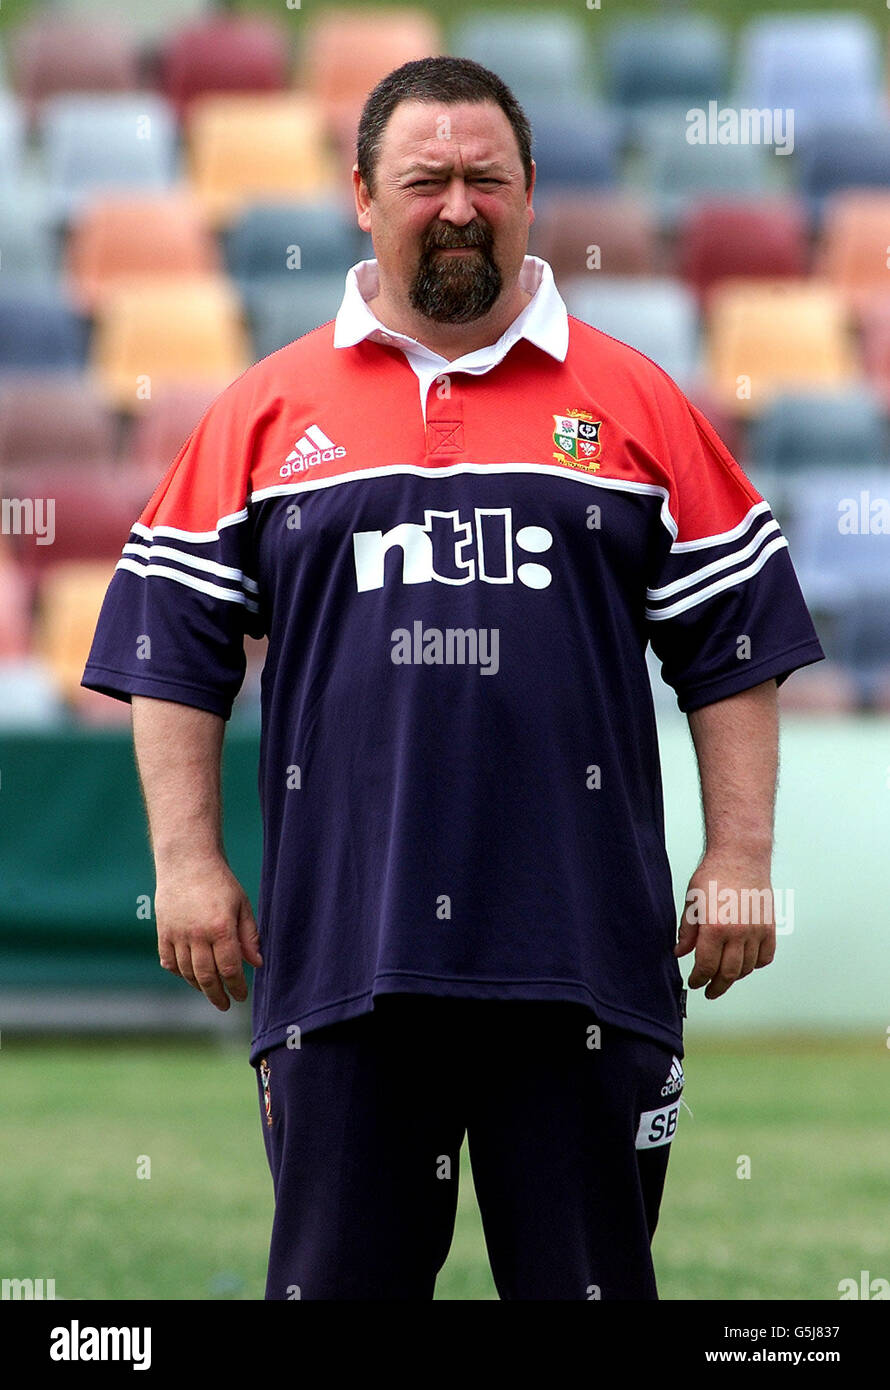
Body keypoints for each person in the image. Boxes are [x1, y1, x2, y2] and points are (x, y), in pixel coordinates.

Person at [82, 56, 825, 1301]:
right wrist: (185, 862)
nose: (459, 204)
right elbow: (174, 650)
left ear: (531, 191)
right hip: (343, 963)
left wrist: (738, 857)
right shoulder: (261, 414)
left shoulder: (638, 404)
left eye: (486, 177)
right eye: (425, 180)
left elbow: (731, 649)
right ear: (361, 196)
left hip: (585, 962)